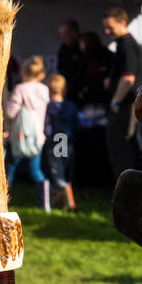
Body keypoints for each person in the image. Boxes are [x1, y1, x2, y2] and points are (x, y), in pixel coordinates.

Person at [102, 6, 142, 179]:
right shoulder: (122, 44)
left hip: (126, 105)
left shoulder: (127, 44)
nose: (107, 31)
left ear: (122, 23)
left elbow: (128, 79)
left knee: (122, 145)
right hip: (124, 104)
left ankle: (127, 185)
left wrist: (115, 101)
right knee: (129, 144)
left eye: (110, 27)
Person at [4, 56, 52, 210]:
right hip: (37, 137)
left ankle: (3, 202)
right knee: (36, 170)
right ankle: (45, 203)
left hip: (18, 136)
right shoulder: (44, 90)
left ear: (23, 73)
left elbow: (11, 112)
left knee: (10, 169)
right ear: (41, 75)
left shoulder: (20, 89)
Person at [42, 72, 80, 212]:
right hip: (67, 142)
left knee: (56, 173)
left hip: (53, 143)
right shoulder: (71, 106)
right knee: (66, 172)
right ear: (64, 89)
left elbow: (45, 126)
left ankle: (67, 201)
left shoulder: (47, 106)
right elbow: (77, 123)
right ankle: (66, 199)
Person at [78, 31, 112, 107]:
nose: (80, 47)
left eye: (81, 44)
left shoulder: (107, 56)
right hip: (88, 100)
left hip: (104, 100)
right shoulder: (84, 58)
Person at [56, 19, 87, 103]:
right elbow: (60, 68)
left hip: (83, 92)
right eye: (62, 35)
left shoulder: (83, 47)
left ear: (74, 33)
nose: (63, 37)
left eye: (66, 34)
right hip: (68, 91)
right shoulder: (63, 49)